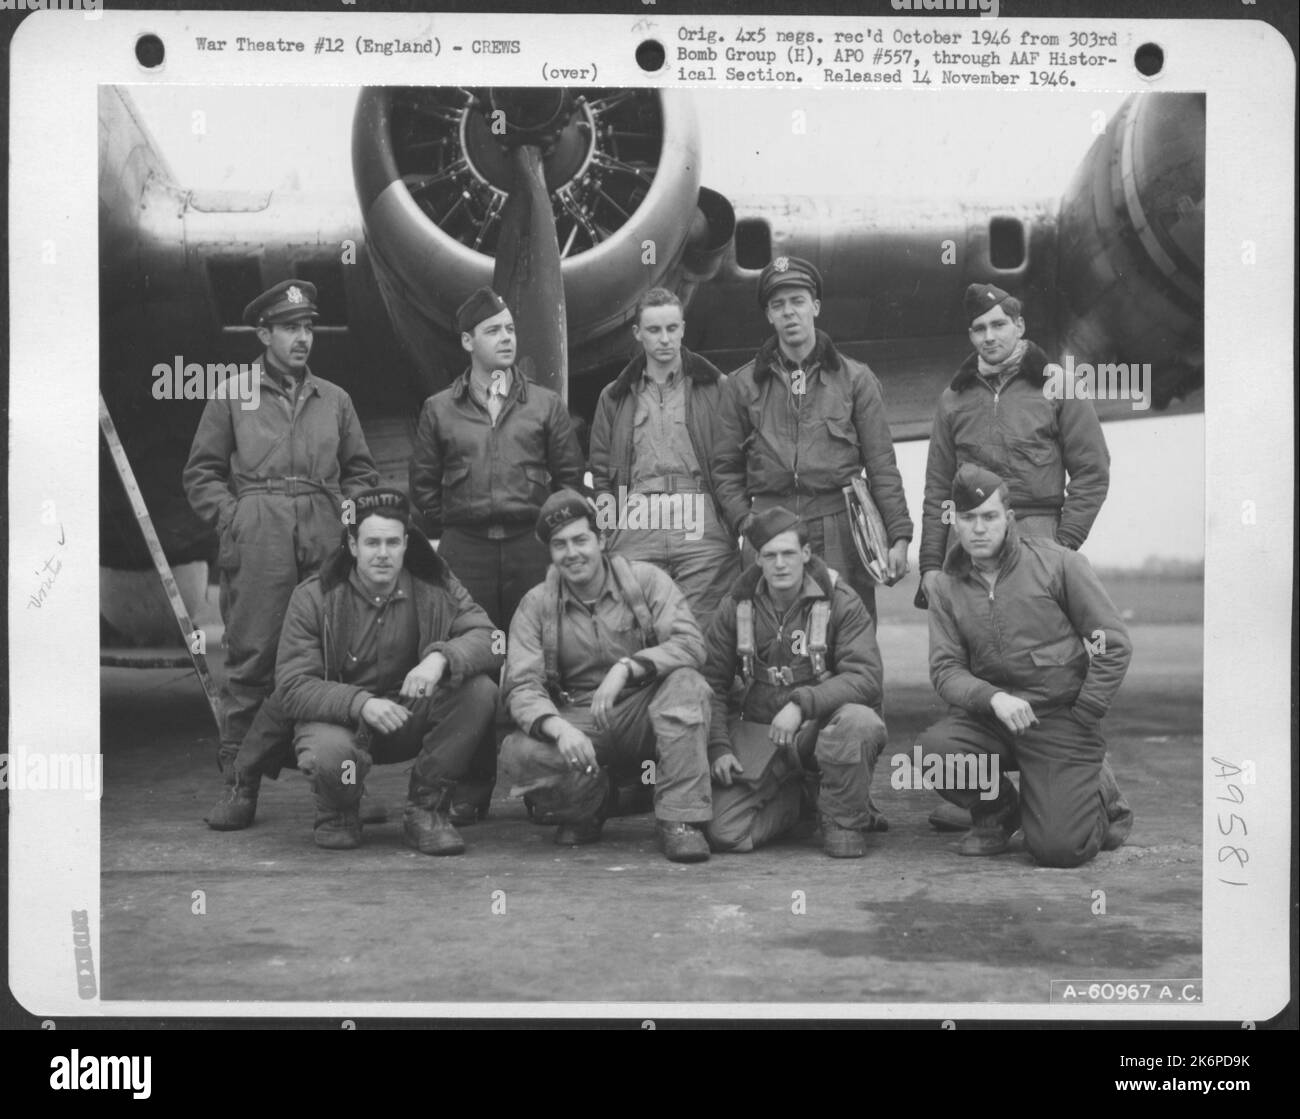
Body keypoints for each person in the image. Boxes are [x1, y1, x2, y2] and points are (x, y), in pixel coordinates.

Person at [184, 279, 378, 775]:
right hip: (258, 538)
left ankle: (341, 779)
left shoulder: (335, 400)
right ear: (263, 333)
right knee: (253, 658)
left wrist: (345, 522)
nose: (303, 338)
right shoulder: (232, 394)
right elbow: (201, 473)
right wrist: (234, 519)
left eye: (308, 327)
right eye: (290, 328)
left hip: (324, 535)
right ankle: (239, 780)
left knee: (335, 656)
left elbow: (360, 473)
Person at [918, 464, 1133, 868]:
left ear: (1009, 519)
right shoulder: (946, 587)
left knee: (1058, 850)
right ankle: (998, 813)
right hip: (993, 719)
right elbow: (945, 669)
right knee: (934, 751)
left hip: (1058, 717)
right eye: (967, 519)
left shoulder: (1059, 564)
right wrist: (992, 698)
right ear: (955, 523)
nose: (978, 529)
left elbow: (1113, 643)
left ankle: (1100, 793)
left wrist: (1084, 714)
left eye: (989, 517)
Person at [266, 488, 503, 851]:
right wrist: (360, 703)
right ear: (353, 544)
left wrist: (439, 658)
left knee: (479, 690)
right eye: (372, 542)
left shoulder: (435, 585)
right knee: (329, 755)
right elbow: (293, 686)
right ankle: (339, 809)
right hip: (341, 723)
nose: (382, 553)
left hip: (406, 717)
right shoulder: (314, 597)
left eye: (392, 542)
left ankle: (425, 811)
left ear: (406, 544)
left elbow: (491, 639)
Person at [499, 490, 714, 862]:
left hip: (642, 709)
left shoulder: (646, 581)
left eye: (581, 540)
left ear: (601, 540)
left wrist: (629, 666)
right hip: (578, 718)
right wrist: (558, 728)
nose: (572, 553)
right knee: (519, 752)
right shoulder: (536, 604)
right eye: (560, 545)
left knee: (687, 685)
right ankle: (591, 805)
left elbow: (691, 644)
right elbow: (521, 685)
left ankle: (680, 820)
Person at [713, 255, 913, 623]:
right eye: (778, 305)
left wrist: (898, 534)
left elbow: (882, 464)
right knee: (769, 633)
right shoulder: (741, 386)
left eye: (797, 301)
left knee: (846, 629)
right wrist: (746, 522)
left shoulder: (855, 380)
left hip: (837, 524)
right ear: (769, 316)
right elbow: (724, 469)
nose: (789, 313)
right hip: (767, 526)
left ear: (815, 307)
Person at [702, 508, 889, 858]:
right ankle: (802, 802)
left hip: (818, 732)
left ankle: (842, 820)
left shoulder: (841, 602)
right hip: (764, 738)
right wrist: (719, 747)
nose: (780, 564)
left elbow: (866, 678)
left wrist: (801, 703)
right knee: (725, 832)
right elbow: (712, 681)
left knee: (859, 722)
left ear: (806, 554)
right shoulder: (736, 606)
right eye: (769, 555)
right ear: (757, 558)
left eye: (789, 553)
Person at [918, 283, 1110, 606]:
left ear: (1019, 326)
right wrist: (930, 565)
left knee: (1039, 647)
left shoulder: (1061, 387)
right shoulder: (952, 400)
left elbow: (1092, 472)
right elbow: (938, 491)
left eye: (998, 325)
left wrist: (1062, 546)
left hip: (1038, 537)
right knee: (969, 650)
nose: (989, 337)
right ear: (971, 335)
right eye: (979, 329)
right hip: (969, 548)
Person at [409, 286, 585, 632]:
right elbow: (422, 486)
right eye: (493, 331)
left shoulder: (546, 405)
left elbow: (570, 481)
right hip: (466, 549)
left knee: (539, 639)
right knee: (467, 638)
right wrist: (457, 523)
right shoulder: (439, 409)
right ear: (467, 342)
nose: (506, 338)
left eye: (510, 329)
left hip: (530, 544)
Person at [588, 287, 740, 619]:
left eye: (672, 328)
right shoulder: (613, 397)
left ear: (683, 328)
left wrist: (730, 523)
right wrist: (606, 531)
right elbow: (601, 474)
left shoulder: (717, 387)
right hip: (636, 516)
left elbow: (733, 463)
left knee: (704, 633)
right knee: (635, 630)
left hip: (698, 514)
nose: (665, 339)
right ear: (637, 333)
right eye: (654, 330)